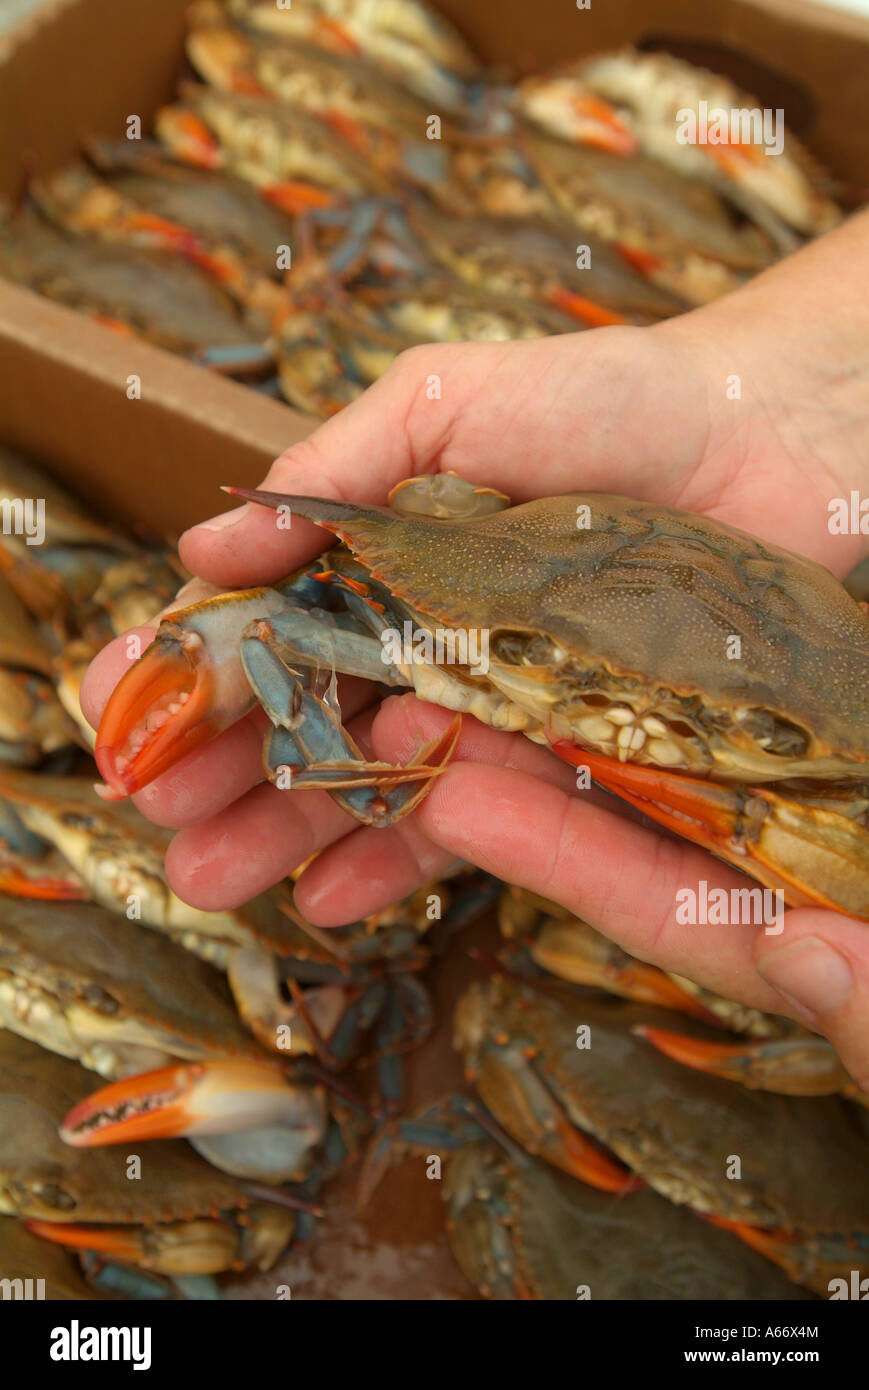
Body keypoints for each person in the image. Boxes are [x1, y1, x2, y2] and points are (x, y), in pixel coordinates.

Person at [83, 211, 869, 1090]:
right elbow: (273, 622)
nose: (626, 732)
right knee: (277, 615)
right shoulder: (434, 588)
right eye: (534, 652)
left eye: (771, 735)